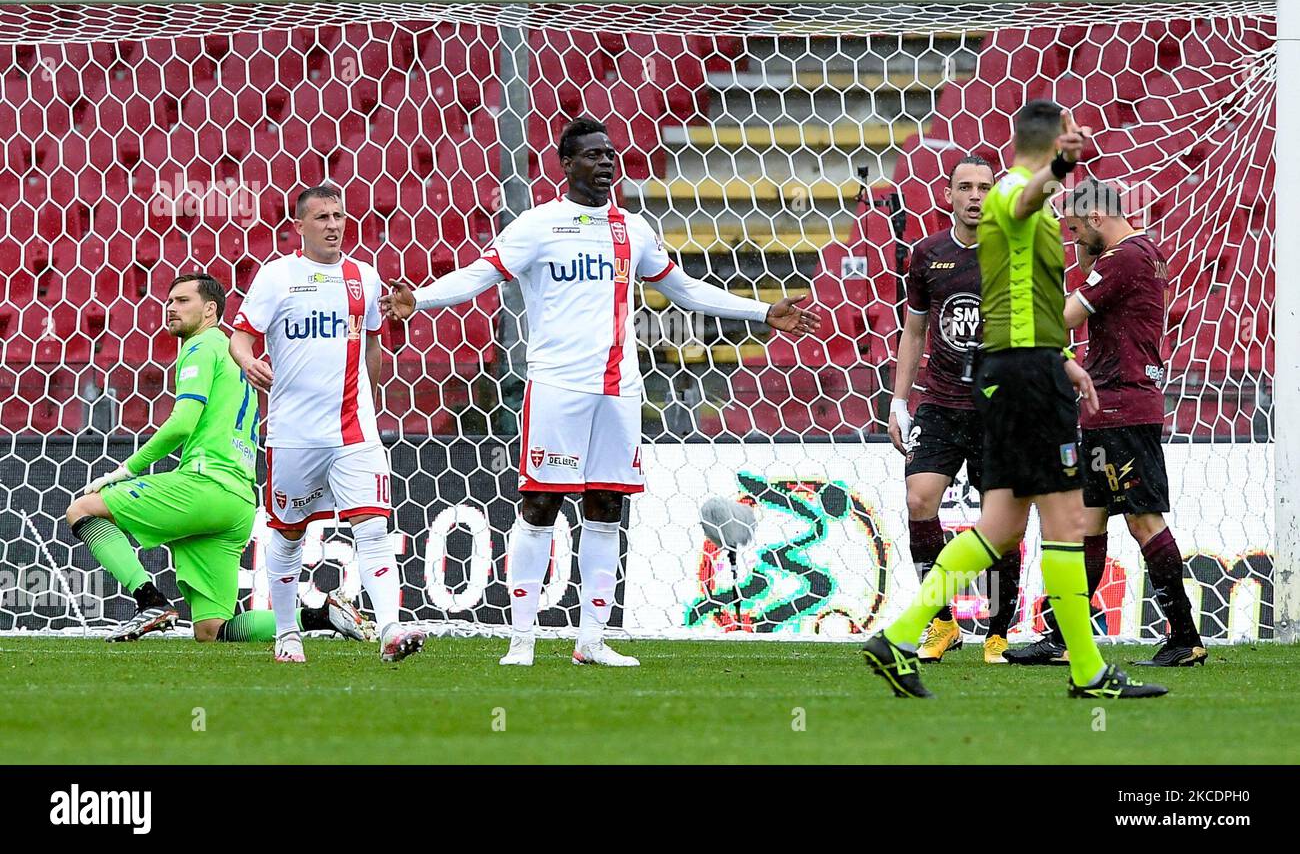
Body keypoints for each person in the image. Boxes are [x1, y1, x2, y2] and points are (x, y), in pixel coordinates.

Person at [383, 117, 821, 668]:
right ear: (566, 164)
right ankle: (522, 640)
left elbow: (681, 289)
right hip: (557, 386)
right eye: (593, 155)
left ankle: (590, 640)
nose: (606, 162)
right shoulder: (539, 225)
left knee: (606, 506)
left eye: (611, 154)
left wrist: (761, 311)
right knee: (541, 504)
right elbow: (480, 274)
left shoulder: (633, 229)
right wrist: (419, 300)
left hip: (619, 391)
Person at [862, 101, 1168, 699]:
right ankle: (1088, 672)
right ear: (1049, 141)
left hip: (1020, 369)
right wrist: (1059, 165)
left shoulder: (1028, 212)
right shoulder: (1014, 194)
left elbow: (1023, 300)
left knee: (1000, 526)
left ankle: (897, 636)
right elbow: (1027, 200)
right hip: (1025, 380)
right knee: (1067, 521)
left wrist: (1063, 359)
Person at [66, 273, 372, 645]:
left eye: (183, 301)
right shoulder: (233, 355)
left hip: (205, 485)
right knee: (212, 630)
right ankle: (322, 615)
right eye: (170, 300)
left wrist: (125, 469)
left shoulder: (202, 346)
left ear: (210, 309)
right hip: (239, 501)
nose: (171, 308)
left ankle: (149, 600)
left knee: (82, 510)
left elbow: (182, 424)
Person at [1007, 178, 1205, 667]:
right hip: (1108, 407)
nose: (1075, 243)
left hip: (1123, 407)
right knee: (1088, 522)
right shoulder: (1142, 253)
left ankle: (1185, 637)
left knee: (1142, 519)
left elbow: (1066, 315)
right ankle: (1063, 638)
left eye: (1076, 232)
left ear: (1097, 219)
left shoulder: (1125, 257)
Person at [230, 186, 424, 663]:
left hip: (355, 432)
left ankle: (390, 631)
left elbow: (375, 343)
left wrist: (369, 400)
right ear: (299, 226)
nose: (333, 225)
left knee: (372, 527)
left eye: (339, 216)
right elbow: (240, 338)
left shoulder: (365, 277)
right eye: (321, 217)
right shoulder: (278, 276)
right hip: (293, 434)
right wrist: (248, 361)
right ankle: (286, 634)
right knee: (289, 533)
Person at [888, 155, 1022, 664]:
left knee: (1003, 522)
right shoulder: (927, 254)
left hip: (999, 409)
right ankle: (942, 625)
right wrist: (899, 401)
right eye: (964, 187)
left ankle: (997, 631)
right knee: (920, 500)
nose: (974, 196)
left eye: (984, 187)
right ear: (947, 195)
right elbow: (915, 329)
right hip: (940, 403)